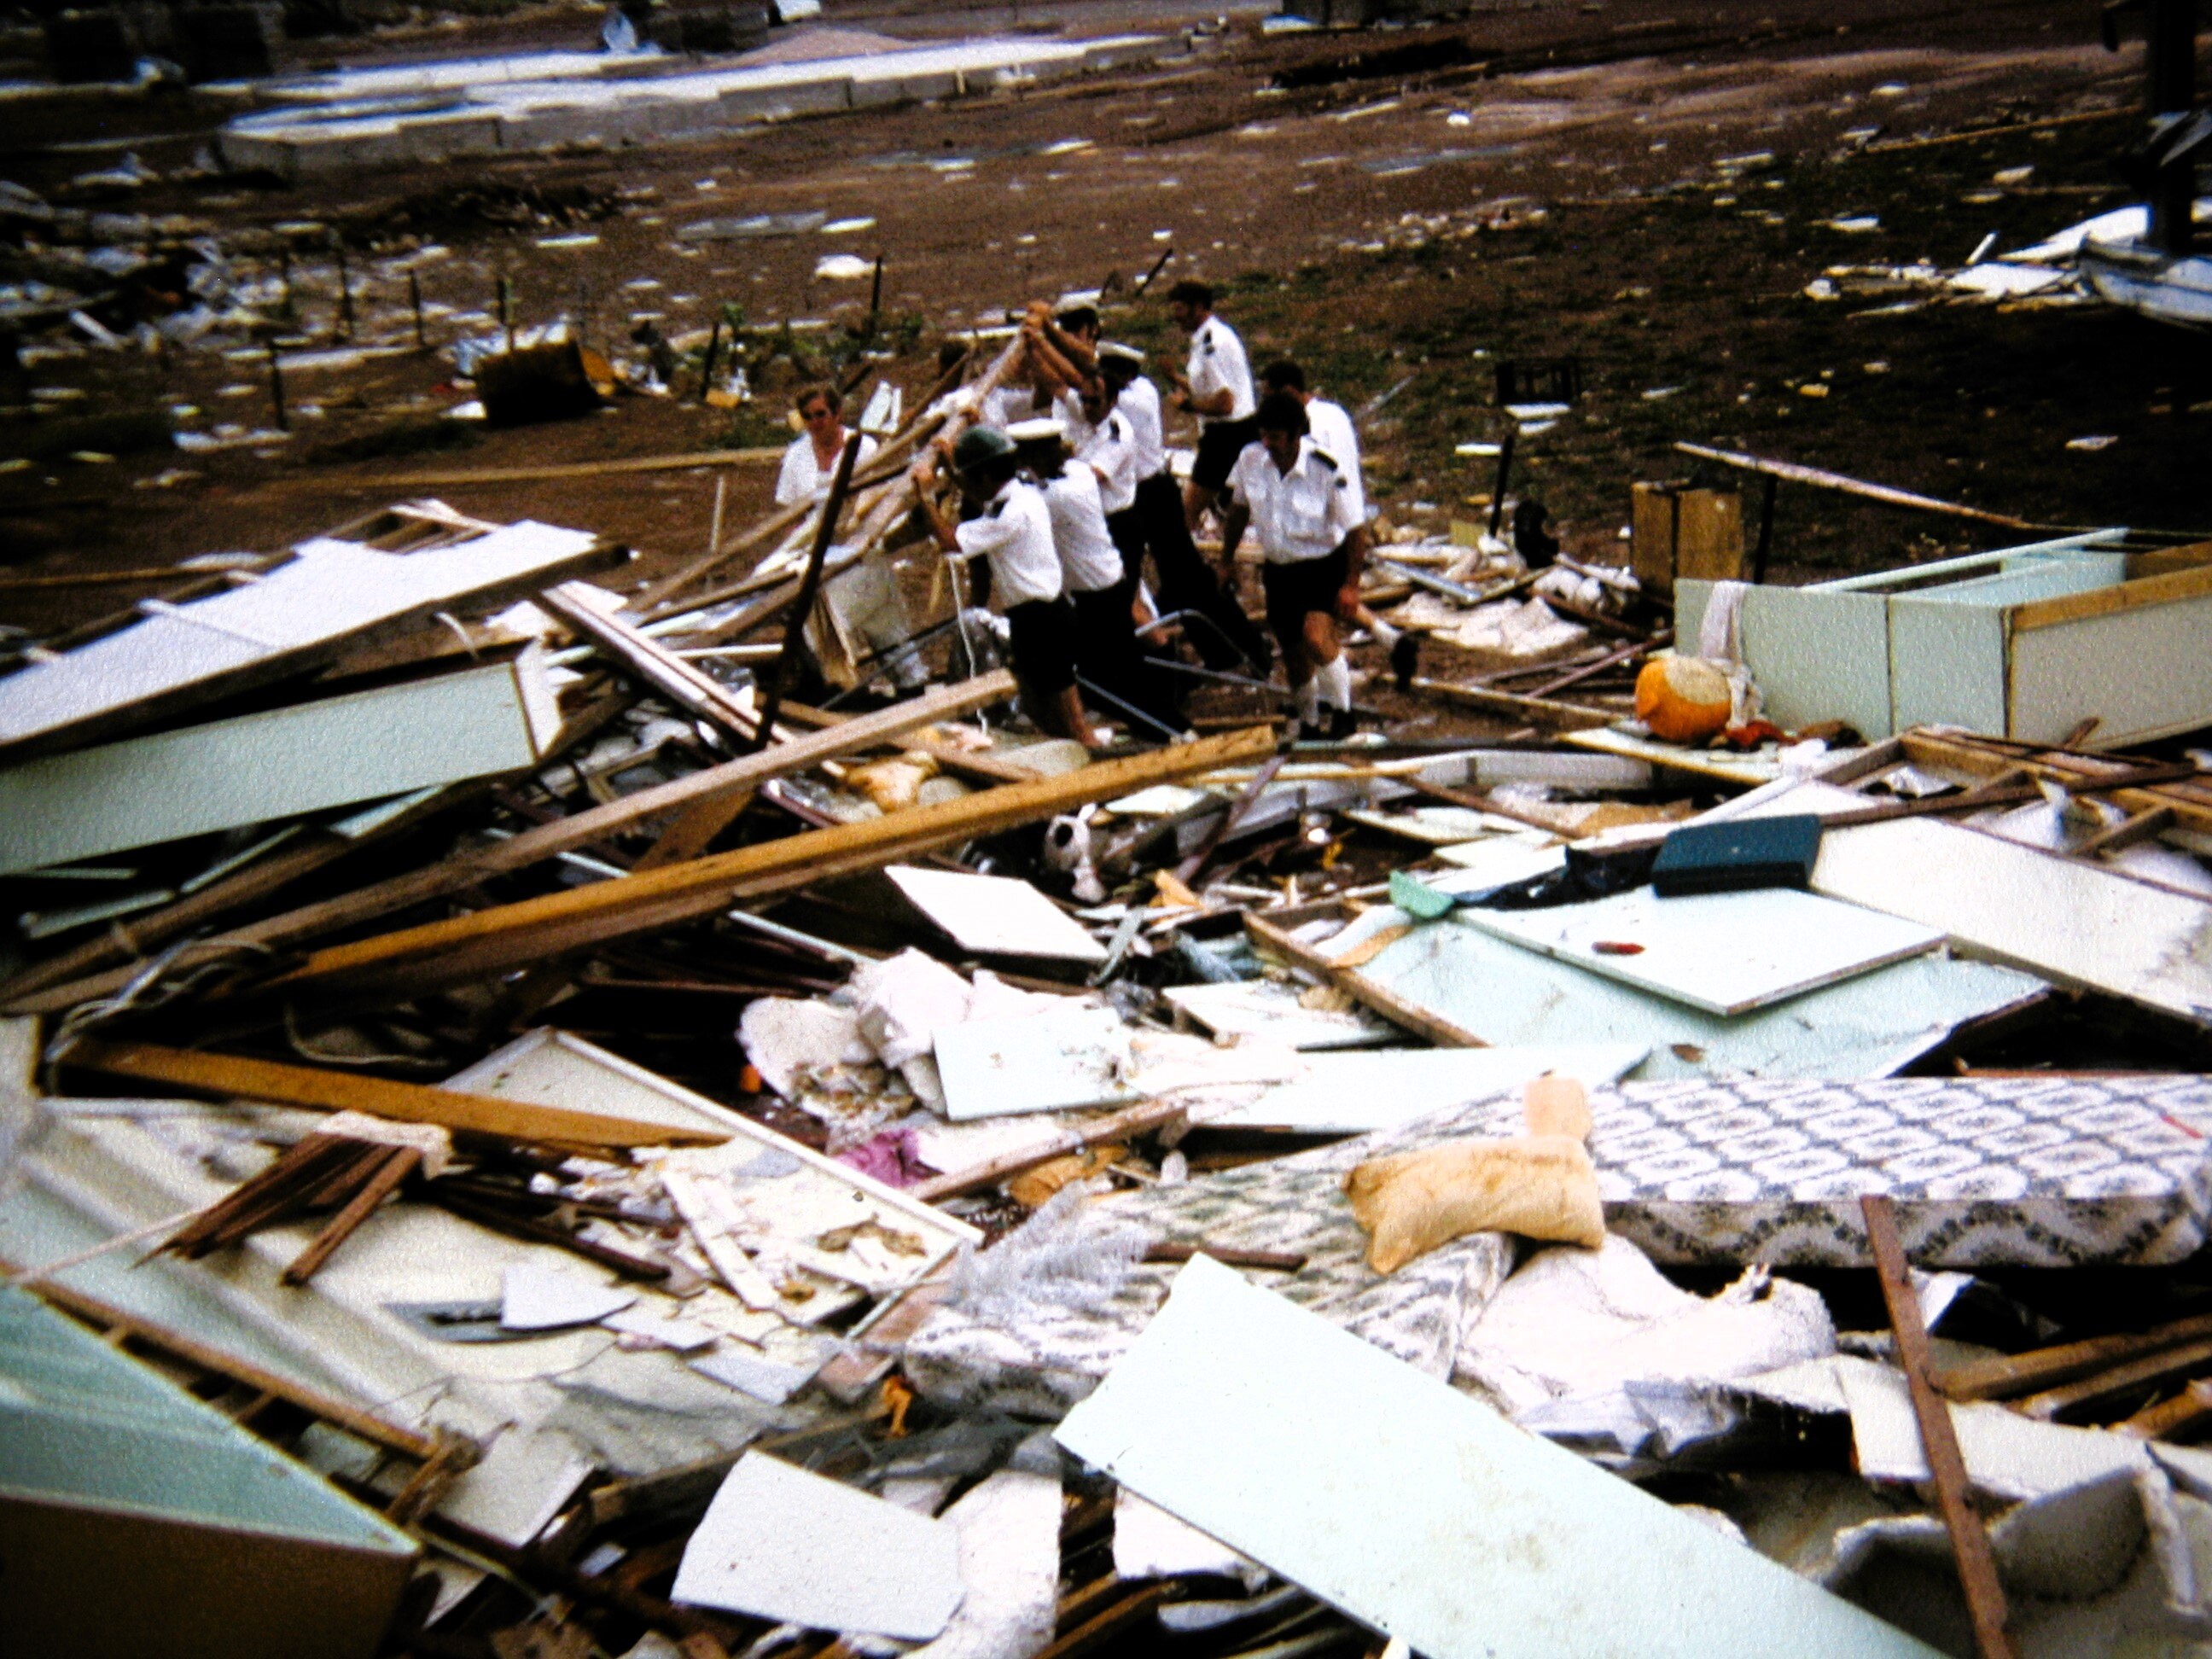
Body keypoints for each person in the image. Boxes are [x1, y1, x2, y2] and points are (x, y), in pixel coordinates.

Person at [912, 425, 1100, 749]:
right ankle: (1068, 752)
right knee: (1036, 697)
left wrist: (926, 497)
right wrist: (952, 466)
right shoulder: (1020, 490)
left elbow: (950, 542)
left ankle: (1090, 758)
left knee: (1066, 709)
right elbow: (981, 493)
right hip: (1039, 615)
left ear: (985, 476)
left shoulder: (1008, 515)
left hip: (1042, 618)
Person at [1097, 339, 1272, 673]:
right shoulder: (1134, 393)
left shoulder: (1137, 397)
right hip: (1140, 495)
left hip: (1151, 494)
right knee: (1179, 581)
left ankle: (1244, 646)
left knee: (1188, 579)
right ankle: (1223, 650)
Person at [1218, 391, 1368, 740]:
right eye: (1264, 434)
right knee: (1294, 655)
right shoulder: (1251, 460)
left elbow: (1356, 529)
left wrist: (1351, 585)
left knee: (1316, 639)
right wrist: (1226, 560)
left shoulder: (1325, 467)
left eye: (1275, 436)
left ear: (1296, 433)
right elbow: (1239, 510)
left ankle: (1345, 713)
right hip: (1280, 571)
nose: (1267, 442)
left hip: (1320, 568)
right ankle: (1310, 721)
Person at [1259, 359, 1417, 690]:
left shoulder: (1305, 429)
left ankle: (1332, 688)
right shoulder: (1336, 414)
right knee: (1332, 600)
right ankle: (1390, 640)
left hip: (1323, 531)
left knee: (1316, 618)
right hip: (1347, 519)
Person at [1009, 417, 1145, 728]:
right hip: (1103, 580)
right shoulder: (1080, 472)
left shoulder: (1053, 496)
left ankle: (1139, 722)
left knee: (1112, 669)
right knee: (1113, 660)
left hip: (1096, 590)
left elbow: (1014, 497)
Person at [1164, 278, 1256, 535]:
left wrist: (1187, 406)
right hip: (1232, 432)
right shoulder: (1209, 337)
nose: (1176, 317)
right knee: (1231, 503)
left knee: (1188, 510)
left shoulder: (1212, 345)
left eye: (1180, 309)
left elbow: (1225, 403)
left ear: (1199, 307)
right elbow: (1209, 388)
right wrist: (1174, 378)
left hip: (1227, 434)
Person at [774, 384, 879, 507]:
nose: (814, 422)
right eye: (807, 417)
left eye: (820, 414)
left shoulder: (864, 447)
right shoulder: (795, 455)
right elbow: (786, 508)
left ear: (837, 413)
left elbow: (875, 498)